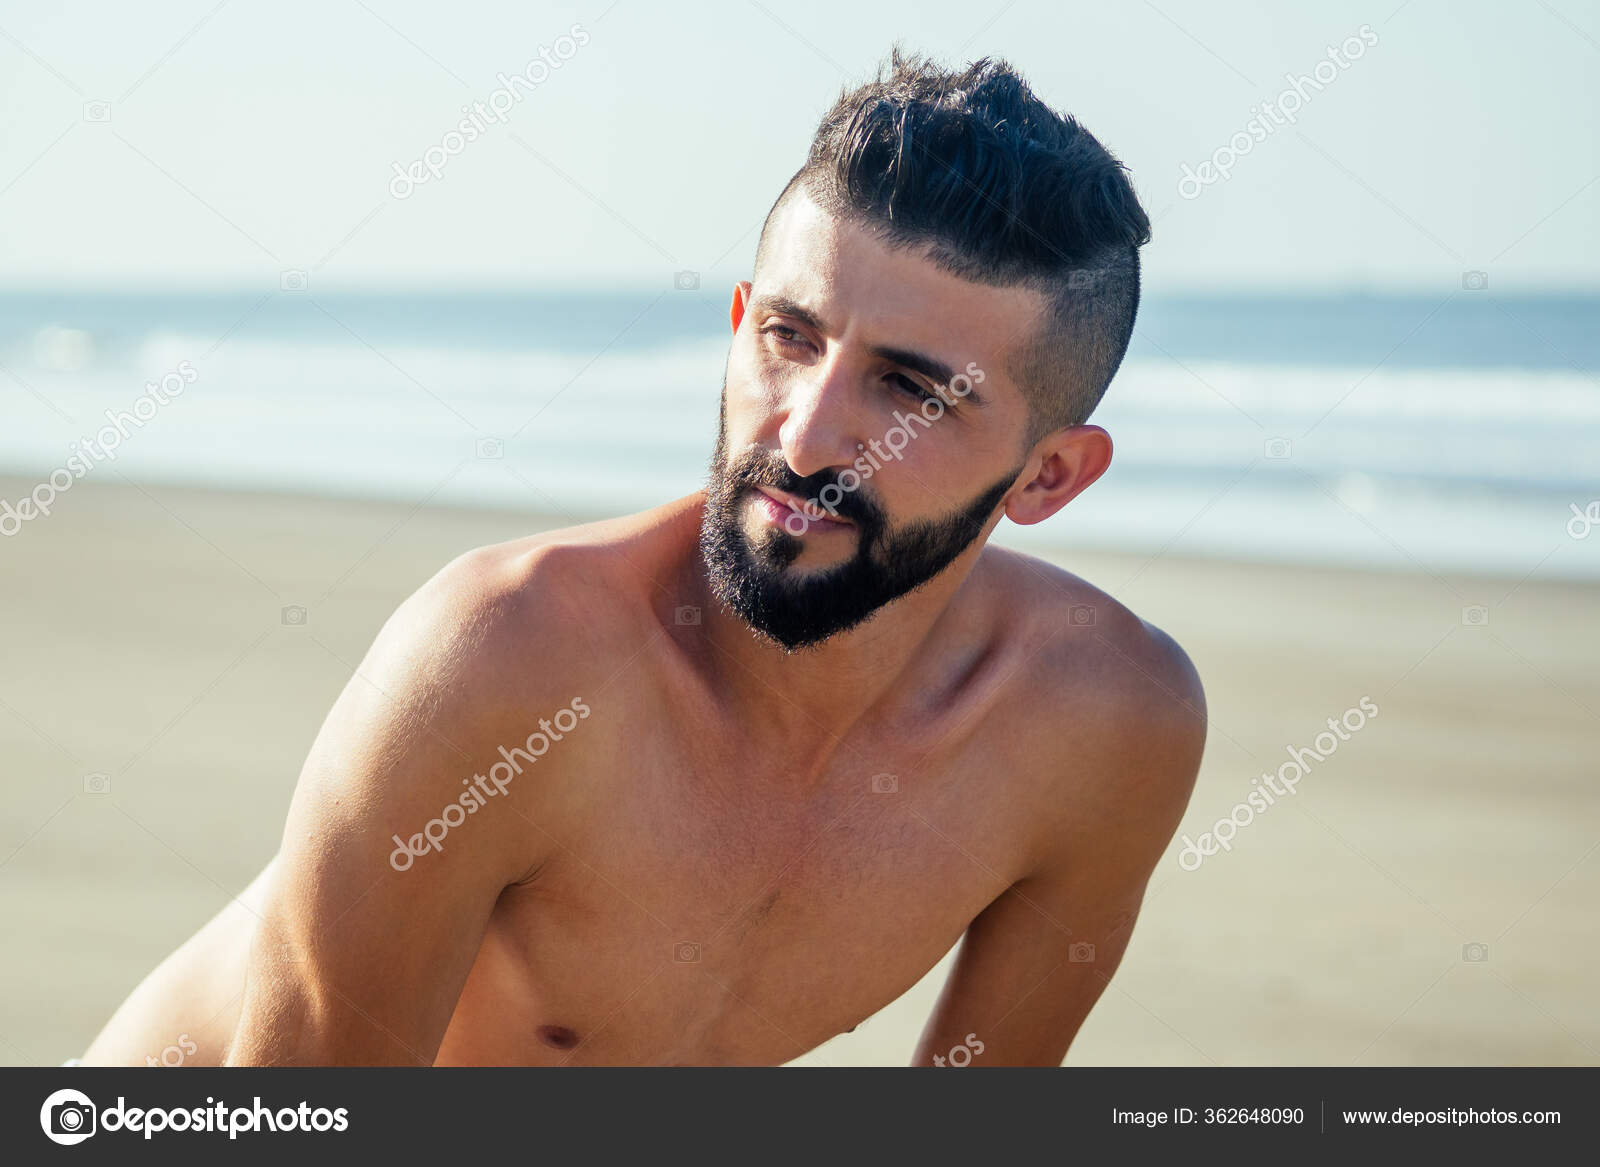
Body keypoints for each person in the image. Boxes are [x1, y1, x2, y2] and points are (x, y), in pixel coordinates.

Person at [84, 50, 1204, 1067]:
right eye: (790, 337)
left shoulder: (1106, 727)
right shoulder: (507, 660)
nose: (806, 438)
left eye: (909, 390)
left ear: (1048, 476)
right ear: (739, 321)